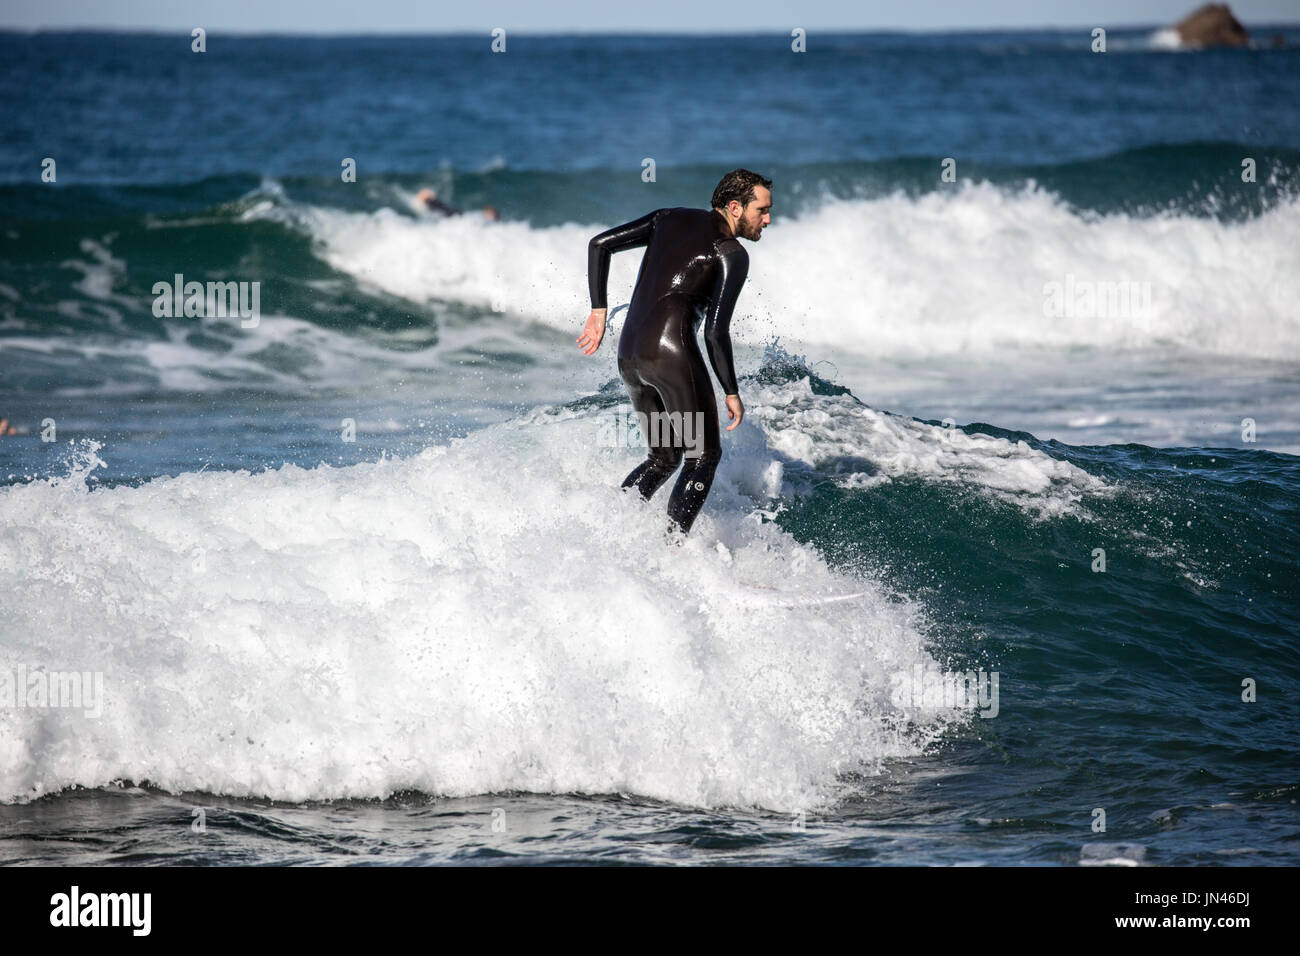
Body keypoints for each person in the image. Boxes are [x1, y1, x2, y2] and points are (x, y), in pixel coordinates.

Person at [577, 169, 772, 536]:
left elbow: (599, 245)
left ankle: (607, 535)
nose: (767, 219)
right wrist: (731, 391)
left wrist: (598, 311)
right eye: (761, 210)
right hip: (671, 356)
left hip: (631, 357)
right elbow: (716, 333)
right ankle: (673, 552)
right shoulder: (731, 252)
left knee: (663, 458)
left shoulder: (667, 217)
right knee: (703, 457)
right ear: (734, 207)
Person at [416, 188, 500, 221]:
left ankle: (428, 199)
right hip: (459, 215)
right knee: (443, 209)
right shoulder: (482, 217)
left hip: (458, 216)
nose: (486, 212)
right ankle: (427, 199)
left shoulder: (484, 219)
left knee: (442, 209)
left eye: (489, 212)